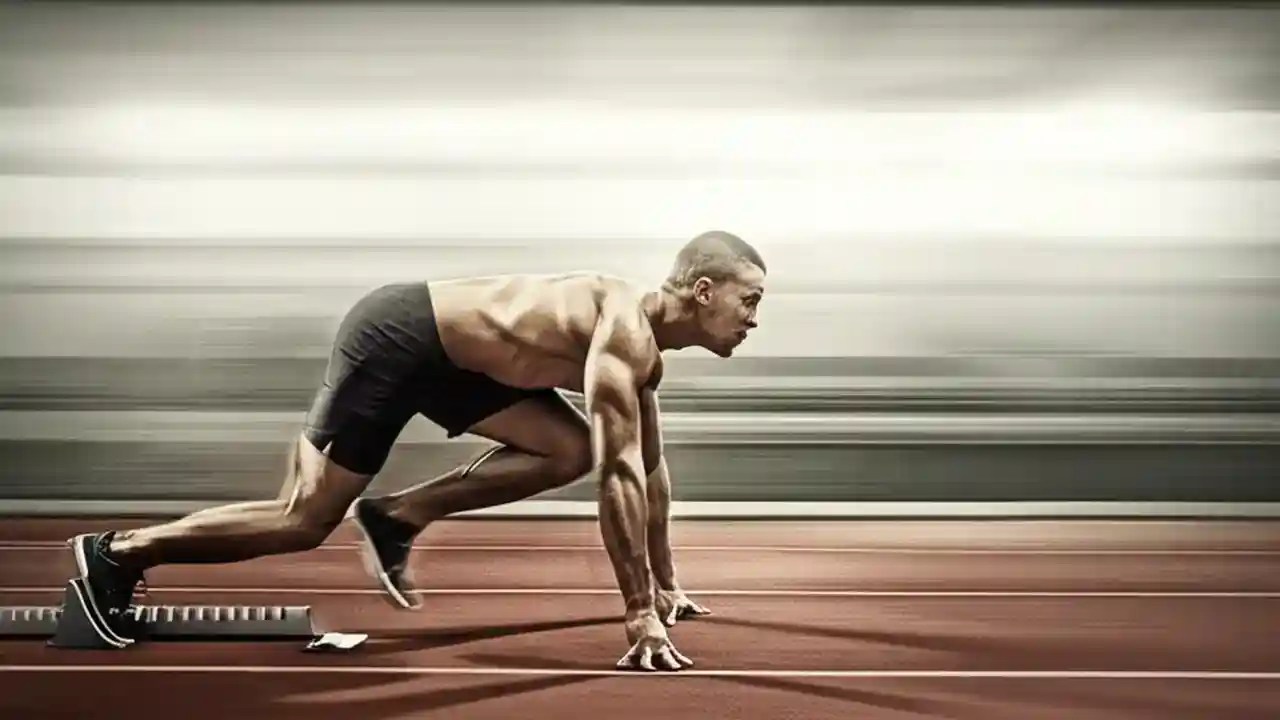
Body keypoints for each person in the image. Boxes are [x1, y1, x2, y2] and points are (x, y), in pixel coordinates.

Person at [69, 230, 766, 671]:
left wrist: (667, 584)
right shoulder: (623, 335)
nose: (754, 320)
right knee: (303, 522)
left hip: (458, 367)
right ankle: (119, 551)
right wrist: (638, 612)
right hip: (398, 337)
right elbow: (621, 478)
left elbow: (649, 468)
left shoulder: (644, 360)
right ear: (704, 292)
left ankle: (397, 515)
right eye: (749, 300)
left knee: (566, 449)